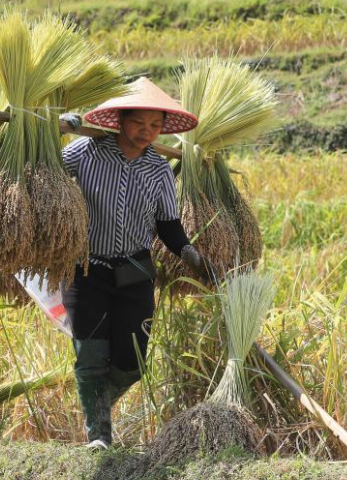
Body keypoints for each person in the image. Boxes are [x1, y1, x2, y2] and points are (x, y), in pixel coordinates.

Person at [59, 77, 216, 450]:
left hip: (136, 271)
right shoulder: (84, 153)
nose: (147, 132)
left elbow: (168, 225)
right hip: (86, 270)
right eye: (139, 123)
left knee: (132, 364)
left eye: (155, 126)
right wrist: (60, 128)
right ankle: (99, 435)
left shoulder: (159, 170)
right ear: (120, 120)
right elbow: (46, 173)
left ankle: (94, 407)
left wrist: (192, 256)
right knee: (91, 356)